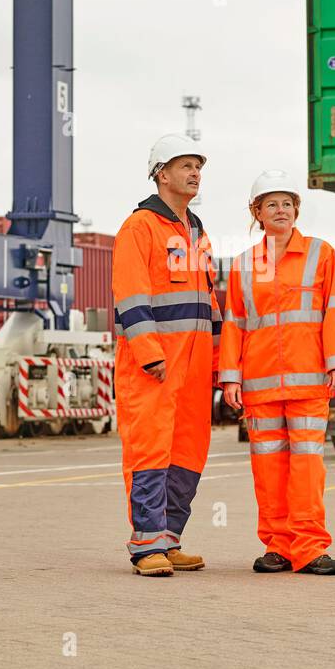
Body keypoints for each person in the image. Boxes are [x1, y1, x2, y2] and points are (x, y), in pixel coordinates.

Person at [218, 171, 335, 576]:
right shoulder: (245, 265)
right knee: (268, 466)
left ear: (297, 210)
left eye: (287, 204)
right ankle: (277, 547)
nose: (281, 210)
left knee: (307, 465)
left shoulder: (320, 254)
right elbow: (234, 323)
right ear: (257, 212)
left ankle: (310, 547)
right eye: (272, 204)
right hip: (260, 386)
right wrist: (230, 376)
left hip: (310, 381)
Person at [111, 135, 221, 577]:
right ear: (162, 173)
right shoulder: (140, 227)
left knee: (188, 450)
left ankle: (169, 538)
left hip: (194, 367)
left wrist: (216, 361)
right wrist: (149, 353)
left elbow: (209, 301)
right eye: (185, 166)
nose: (195, 173)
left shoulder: (196, 229)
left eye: (198, 166)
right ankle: (146, 545)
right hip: (154, 364)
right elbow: (131, 295)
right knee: (150, 450)